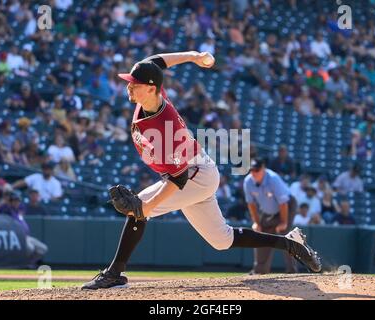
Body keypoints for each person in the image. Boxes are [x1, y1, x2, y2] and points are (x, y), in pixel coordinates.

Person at [82, 51, 321, 289]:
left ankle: (114, 273)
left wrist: (146, 207)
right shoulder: (153, 97)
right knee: (222, 240)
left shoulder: (166, 127)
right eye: (130, 82)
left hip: (195, 175)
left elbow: (179, 179)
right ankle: (291, 244)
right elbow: (155, 62)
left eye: (135, 84)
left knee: (139, 208)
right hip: (192, 172)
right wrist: (193, 56)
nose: (129, 87)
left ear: (152, 88)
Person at [243, 158, 298, 274]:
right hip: (267, 210)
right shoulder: (248, 181)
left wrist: (283, 222)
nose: (254, 173)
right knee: (261, 235)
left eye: (257, 170)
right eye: (252, 170)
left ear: (263, 169)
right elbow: (251, 204)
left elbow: (283, 203)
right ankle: (259, 271)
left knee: (286, 236)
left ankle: (292, 271)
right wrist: (257, 222)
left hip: (286, 207)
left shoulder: (273, 179)